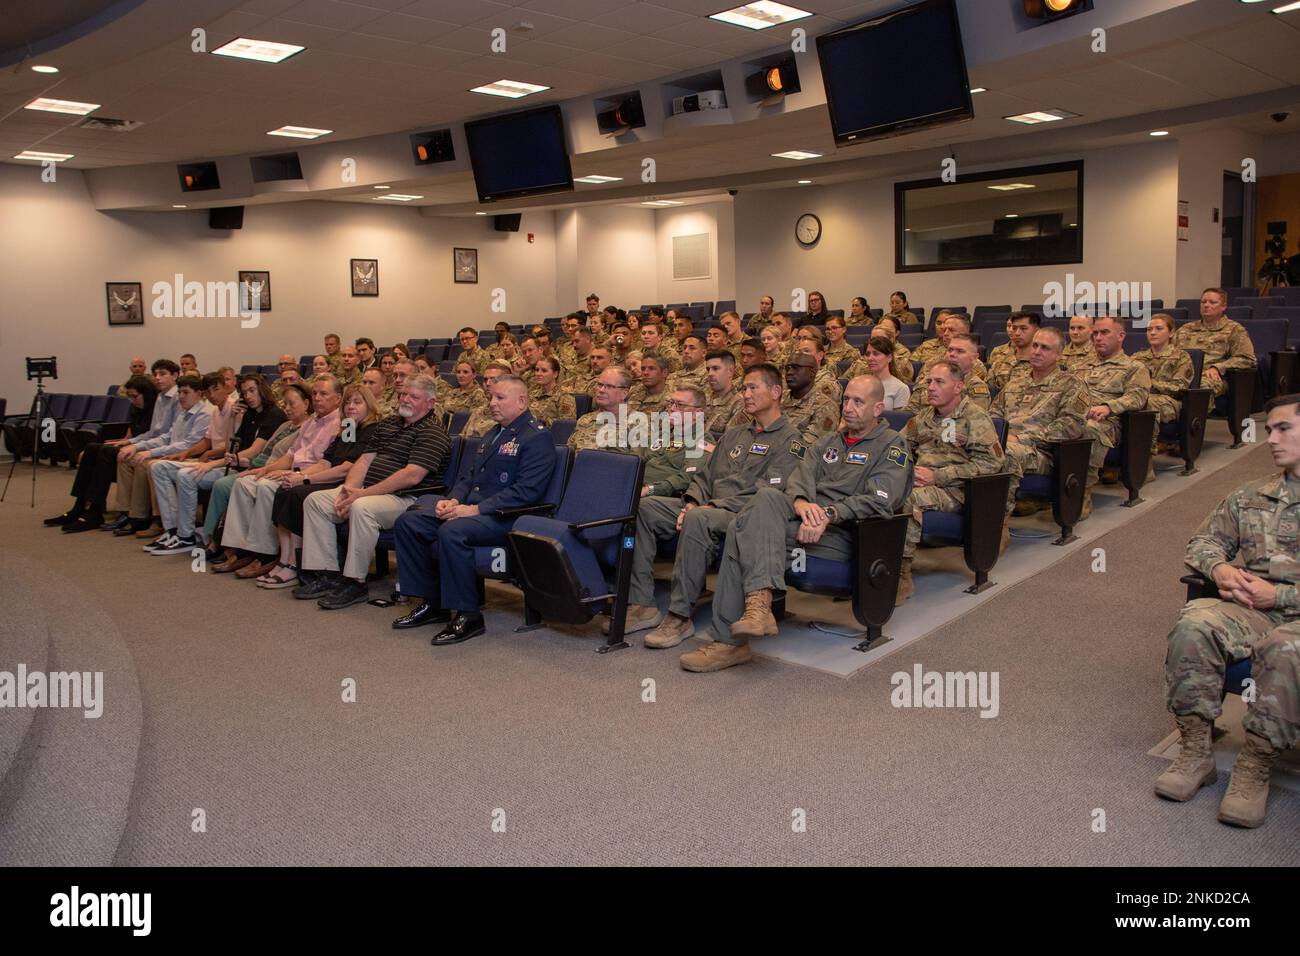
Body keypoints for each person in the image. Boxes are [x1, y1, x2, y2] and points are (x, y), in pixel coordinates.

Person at [679, 376, 914, 672]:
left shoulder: (893, 446)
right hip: (802, 523)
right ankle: (757, 608)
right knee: (765, 496)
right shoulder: (828, 442)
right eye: (846, 400)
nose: (848, 407)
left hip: (845, 535)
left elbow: (881, 500)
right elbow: (797, 480)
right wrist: (802, 503)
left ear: (879, 408)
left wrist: (828, 514)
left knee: (742, 529)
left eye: (858, 401)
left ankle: (730, 641)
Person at [1158, 393, 1300, 827]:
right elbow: (1202, 544)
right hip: (1251, 609)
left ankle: (1255, 764)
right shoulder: (1250, 496)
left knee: (1284, 648)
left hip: (1289, 616)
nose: (1269, 438)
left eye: (1283, 429)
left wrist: (1281, 598)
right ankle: (1196, 750)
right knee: (1194, 624)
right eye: (1269, 429)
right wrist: (1219, 570)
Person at [633, 366, 804, 649]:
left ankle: (678, 615)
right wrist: (692, 500)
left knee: (698, 518)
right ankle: (639, 603)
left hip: (742, 513)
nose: (746, 394)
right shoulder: (735, 434)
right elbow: (704, 477)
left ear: (775, 393)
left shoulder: (790, 440)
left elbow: (768, 492)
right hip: (708, 505)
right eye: (743, 389)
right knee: (646, 508)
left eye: (753, 388)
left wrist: (708, 505)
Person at [391, 376, 554, 643]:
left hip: (508, 516)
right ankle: (434, 604)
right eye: (491, 397)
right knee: (409, 523)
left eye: (500, 398)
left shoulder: (537, 437)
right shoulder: (494, 432)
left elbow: (527, 492)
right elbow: (468, 477)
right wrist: (454, 500)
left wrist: (475, 511)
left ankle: (469, 616)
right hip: (474, 511)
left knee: (452, 532)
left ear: (522, 401)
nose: (492, 403)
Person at [295, 374, 452, 610]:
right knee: (315, 500)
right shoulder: (390, 423)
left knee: (361, 507)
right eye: (404, 394)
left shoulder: (433, 432)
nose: (406, 399)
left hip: (406, 498)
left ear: (430, 403)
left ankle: (355, 582)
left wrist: (362, 495)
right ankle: (326, 574)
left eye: (414, 396)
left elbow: (411, 476)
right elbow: (364, 461)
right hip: (368, 491)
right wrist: (351, 489)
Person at [896, 361, 1005, 603]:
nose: (930, 388)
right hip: (921, 483)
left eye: (939, 382)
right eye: (928, 382)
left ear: (958, 387)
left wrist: (938, 476)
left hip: (957, 491)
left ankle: (900, 574)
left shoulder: (975, 418)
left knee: (905, 500)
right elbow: (896, 447)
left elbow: (991, 465)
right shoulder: (923, 417)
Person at [259, 385, 384, 589]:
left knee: (297, 494)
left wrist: (305, 480)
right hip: (331, 476)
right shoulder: (349, 428)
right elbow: (327, 462)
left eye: (358, 402)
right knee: (284, 490)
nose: (351, 407)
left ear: (369, 405)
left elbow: (346, 468)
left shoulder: (371, 429)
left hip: (349, 482)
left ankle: (294, 563)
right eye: (348, 402)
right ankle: (285, 558)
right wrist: (299, 475)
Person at [215, 378, 342, 577]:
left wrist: (297, 474)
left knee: (266, 487)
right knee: (244, 482)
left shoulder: (340, 424)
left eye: (323, 394)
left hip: (311, 475)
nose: (317, 398)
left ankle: (265, 553)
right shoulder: (311, 422)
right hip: (294, 469)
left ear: (338, 399)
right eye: (315, 393)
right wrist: (264, 469)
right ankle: (241, 549)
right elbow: (290, 455)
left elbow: (329, 463)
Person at [990, 327, 1088, 515]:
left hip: (1043, 453)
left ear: (1059, 355)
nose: (1036, 351)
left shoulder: (1072, 385)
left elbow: (1070, 426)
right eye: (1035, 345)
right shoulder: (1015, 383)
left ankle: (997, 526)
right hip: (1005, 443)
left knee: (1004, 453)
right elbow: (993, 416)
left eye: (1045, 348)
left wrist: (1020, 439)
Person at [145, 370, 244, 554]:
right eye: (209, 391)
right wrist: (185, 453)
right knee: (159, 467)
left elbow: (232, 447)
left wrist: (208, 455)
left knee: (186, 475)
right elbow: (207, 440)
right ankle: (172, 529)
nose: (213, 395)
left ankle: (186, 534)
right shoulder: (215, 410)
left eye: (216, 389)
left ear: (226, 388)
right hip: (210, 459)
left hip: (225, 463)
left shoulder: (234, 409)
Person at [49, 374, 158, 533]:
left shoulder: (156, 409)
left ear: (146, 394)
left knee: (106, 452)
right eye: (130, 397)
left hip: (145, 450)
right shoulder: (136, 410)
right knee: (92, 447)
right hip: (133, 447)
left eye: (135, 396)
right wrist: (125, 441)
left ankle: (94, 511)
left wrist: (130, 443)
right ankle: (79, 506)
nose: (132, 401)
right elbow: (130, 434)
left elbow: (154, 436)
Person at [112, 372, 211, 537]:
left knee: (148, 465)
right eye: (179, 392)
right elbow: (166, 437)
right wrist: (138, 446)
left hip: (189, 455)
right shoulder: (184, 412)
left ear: (199, 394)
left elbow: (188, 445)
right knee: (128, 458)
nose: (180, 396)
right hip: (174, 453)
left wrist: (150, 452)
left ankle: (151, 519)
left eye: (185, 392)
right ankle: (127, 511)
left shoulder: (204, 413)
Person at [1078, 316, 1152, 516]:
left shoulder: (1134, 367)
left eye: (1104, 333)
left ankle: (1080, 492)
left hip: (1111, 423)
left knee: (1088, 430)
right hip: (1076, 415)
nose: (1098, 338)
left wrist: (1109, 407)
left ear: (1121, 336)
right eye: (1095, 333)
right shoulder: (1081, 365)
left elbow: (1137, 397)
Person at [1173, 287, 1256, 400]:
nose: (1206, 305)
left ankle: (1194, 417)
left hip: (1209, 376)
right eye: (1203, 302)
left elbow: (1247, 358)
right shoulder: (1186, 329)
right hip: (1181, 374)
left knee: (1198, 386)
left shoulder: (1234, 330)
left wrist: (1218, 367)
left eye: (1212, 302)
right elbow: (1169, 352)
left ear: (1223, 306)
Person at [1133, 312, 1194, 443]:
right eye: (1149, 329)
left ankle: (1146, 451)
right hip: (1140, 396)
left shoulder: (1181, 357)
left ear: (1171, 333)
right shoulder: (1137, 357)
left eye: (1159, 329)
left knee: (1141, 404)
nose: (1152, 333)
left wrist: (1150, 383)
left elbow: (1179, 388)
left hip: (1169, 402)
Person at [907, 334, 990, 412]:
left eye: (960, 351)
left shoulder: (976, 387)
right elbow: (909, 412)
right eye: (950, 350)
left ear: (974, 358)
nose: (952, 354)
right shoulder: (929, 380)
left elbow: (974, 418)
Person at [987, 311, 1040, 390]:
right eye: (1014, 328)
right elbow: (989, 390)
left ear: (1036, 330)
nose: (1017, 333)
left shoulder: (1043, 361)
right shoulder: (999, 361)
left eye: (1023, 328)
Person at [860, 335, 910, 410]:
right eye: (867, 354)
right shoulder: (860, 384)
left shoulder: (901, 388)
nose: (870, 358)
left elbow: (898, 420)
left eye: (876, 354)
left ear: (889, 357)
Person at [702, 350, 742, 441]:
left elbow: (730, 440)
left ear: (730, 371)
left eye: (715, 368)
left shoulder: (739, 403)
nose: (710, 374)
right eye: (708, 369)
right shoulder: (703, 398)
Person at [529, 356, 576, 426]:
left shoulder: (564, 396)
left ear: (555, 374)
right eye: (537, 370)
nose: (538, 374)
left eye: (544, 371)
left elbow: (566, 426)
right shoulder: (531, 395)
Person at [627, 351, 672, 416]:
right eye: (643, 369)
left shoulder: (671, 400)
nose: (645, 373)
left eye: (651, 368)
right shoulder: (635, 392)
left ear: (664, 373)